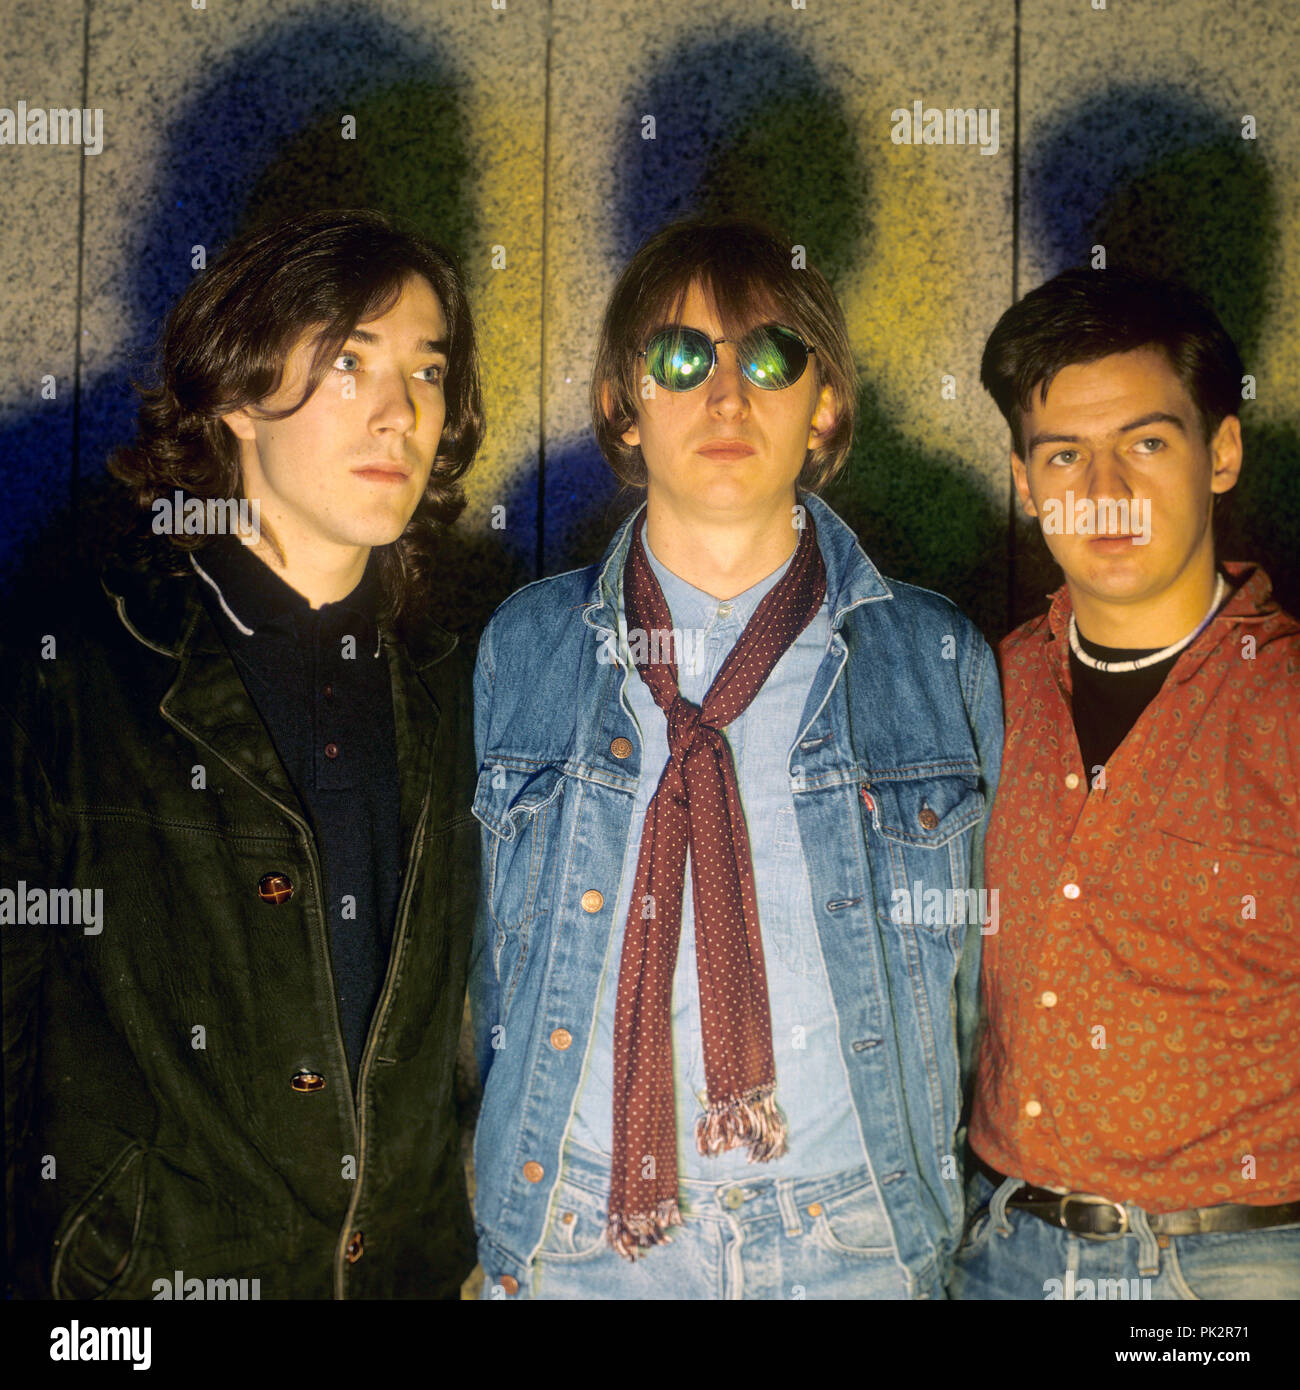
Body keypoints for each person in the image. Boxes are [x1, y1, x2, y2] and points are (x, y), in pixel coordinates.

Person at [469, 218, 1002, 1300]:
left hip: (855, 1236)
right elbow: (465, 971)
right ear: (624, 407)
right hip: (580, 1235)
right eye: (680, 358)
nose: (726, 396)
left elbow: (992, 988)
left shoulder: (934, 656)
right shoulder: (524, 646)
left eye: (770, 358)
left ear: (826, 407)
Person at [1, 208, 484, 1299]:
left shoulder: (464, 678)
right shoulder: (77, 666)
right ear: (234, 391)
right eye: (349, 362)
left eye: (426, 370)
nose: (401, 411)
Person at [952, 267, 1300, 1301]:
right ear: (1023, 479)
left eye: (1145, 444)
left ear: (1221, 452)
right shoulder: (979, 689)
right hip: (1005, 1251)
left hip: (1237, 1267)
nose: (1102, 490)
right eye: (1065, 455)